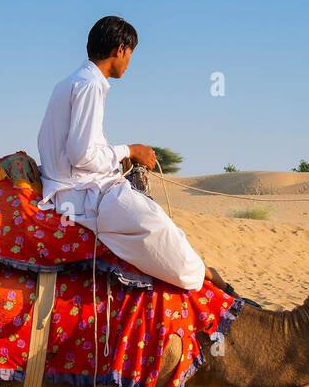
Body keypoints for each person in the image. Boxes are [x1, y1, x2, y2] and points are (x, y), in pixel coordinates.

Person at [36, 16, 212, 291]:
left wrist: (118, 158)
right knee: (162, 233)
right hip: (81, 196)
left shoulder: (70, 83)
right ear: (120, 49)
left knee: (162, 223)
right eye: (130, 54)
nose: (129, 62)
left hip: (80, 187)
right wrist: (129, 150)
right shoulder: (90, 85)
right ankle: (207, 278)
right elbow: (80, 154)